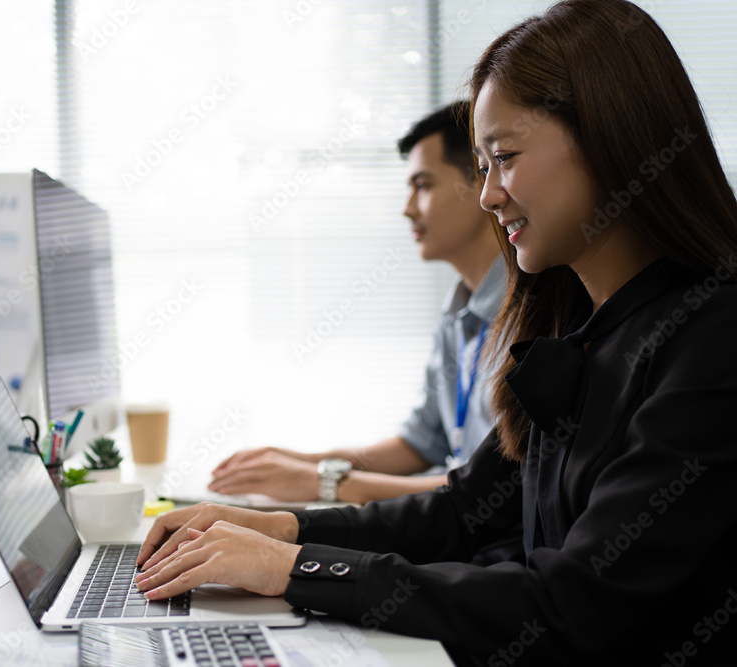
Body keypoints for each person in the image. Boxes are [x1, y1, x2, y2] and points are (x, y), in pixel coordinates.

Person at [132, 1, 737, 663]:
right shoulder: (576, 328)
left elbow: (573, 605)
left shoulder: (712, 336)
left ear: (610, 139)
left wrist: (291, 566)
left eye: (504, 157)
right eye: (482, 165)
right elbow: (462, 512)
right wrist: (277, 527)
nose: (487, 195)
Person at [211, 101, 504, 504]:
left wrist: (321, 482)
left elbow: (491, 490)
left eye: (423, 185)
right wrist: (297, 461)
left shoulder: (532, 313)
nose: (407, 208)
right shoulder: (459, 311)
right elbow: (420, 446)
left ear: (480, 184)